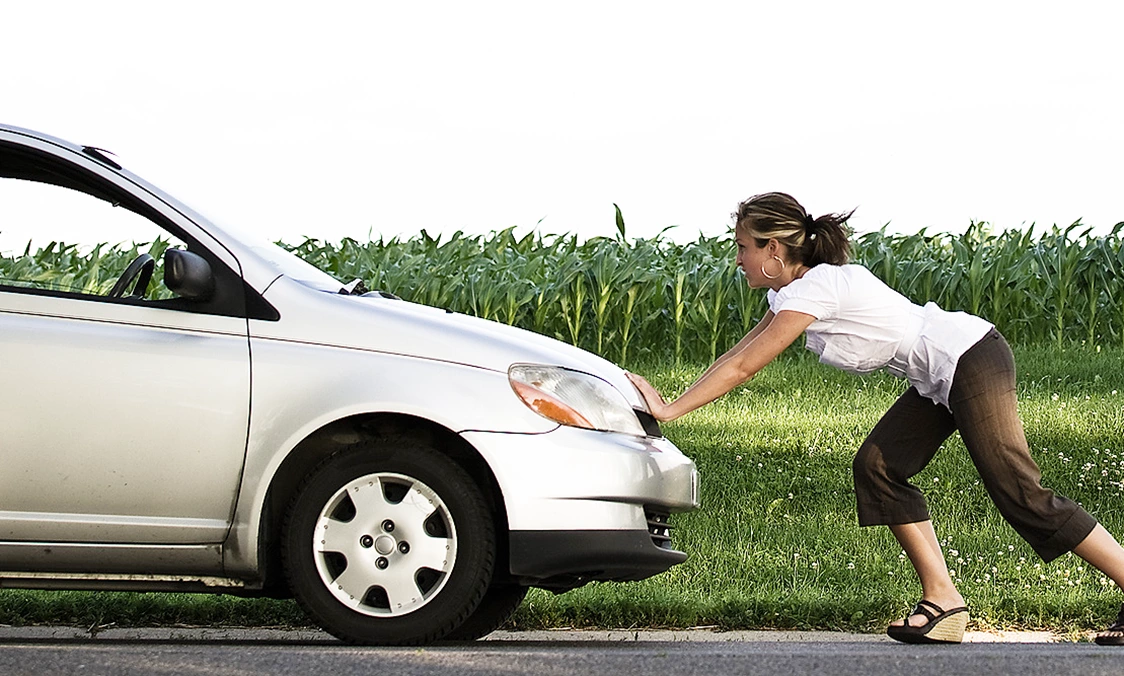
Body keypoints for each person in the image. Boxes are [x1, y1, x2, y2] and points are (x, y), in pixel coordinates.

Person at [626, 192, 1124, 645]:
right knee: (878, 467)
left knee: (1021, 494)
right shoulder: (793, 293)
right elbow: (737, 353)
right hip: (939, 374)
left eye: (743, 247)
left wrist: (669, 410)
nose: (738, 259)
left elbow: (743, 368)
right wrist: (671, 399)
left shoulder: (814, 289)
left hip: (968, 357)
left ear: (774, 250)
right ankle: (944, 602)